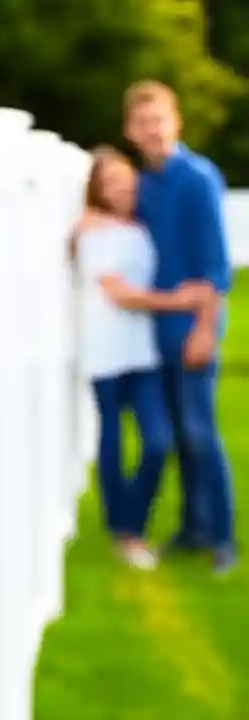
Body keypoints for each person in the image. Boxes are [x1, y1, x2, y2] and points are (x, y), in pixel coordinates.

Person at [105, 80, 238, 574]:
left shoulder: (198, 177)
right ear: (129, 131)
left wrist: (205, 327)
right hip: (153, 332)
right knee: (179, 437)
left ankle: (222, 538)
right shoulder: (144, 184)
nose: (152, 130)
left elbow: (215, 266)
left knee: (202, 435)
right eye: (142, 122)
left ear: (176, 122)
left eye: (159, 119)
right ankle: (191, 527)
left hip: (192, 328)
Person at [72, 147, 209, 569]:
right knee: (112, 442)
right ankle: (125, 534)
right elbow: (120, 294)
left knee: (156, 441)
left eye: (124, 179)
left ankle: (131, 523)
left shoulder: (140, 224)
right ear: (97, 188)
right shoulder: (92, 232)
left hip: (142, 352)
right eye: (109, 182)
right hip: (106, 351)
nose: (120, 188)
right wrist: (179, 301)